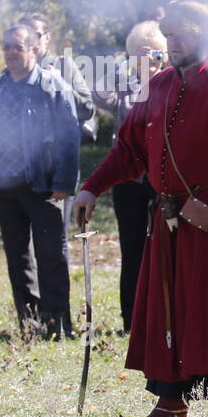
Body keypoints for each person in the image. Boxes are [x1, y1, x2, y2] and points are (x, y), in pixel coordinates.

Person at [71, 1, 208, 417]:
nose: (174, 43)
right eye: (169, 36)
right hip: (168, 219)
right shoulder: (161, 85)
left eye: (183, 35)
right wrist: (92, 186)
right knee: (169, 308)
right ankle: (170, 406)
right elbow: (127, 149)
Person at [0, 24, 81, 337]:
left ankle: (57, 323)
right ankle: (29, 322)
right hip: (5, 186)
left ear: (34, 49)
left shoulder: (52, 86)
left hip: (44, 185)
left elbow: (69, 137)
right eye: (7, 46)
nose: (11, 52)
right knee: (17, 257)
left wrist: (65, 182)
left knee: (51, 254)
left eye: (18, 46)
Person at [90, 20, 165, 332]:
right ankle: (132, 320)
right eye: (141, 53)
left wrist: (158, 68)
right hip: (127, 180)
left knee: (164, 251)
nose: (149, 59)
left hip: (164, 180)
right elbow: (97, 93)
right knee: (132, 249)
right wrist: (127, 64)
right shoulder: (122, 86)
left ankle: (162, 318)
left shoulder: (174, 84)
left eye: (156, 53)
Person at [19, 12, 97, 144]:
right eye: (26, 35)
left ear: (47, 38)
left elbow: (87, 110)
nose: (31, 40)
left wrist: (60, 84)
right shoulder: (13, 71)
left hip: (58, 151)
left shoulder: (63, 66)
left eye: (36, 35)